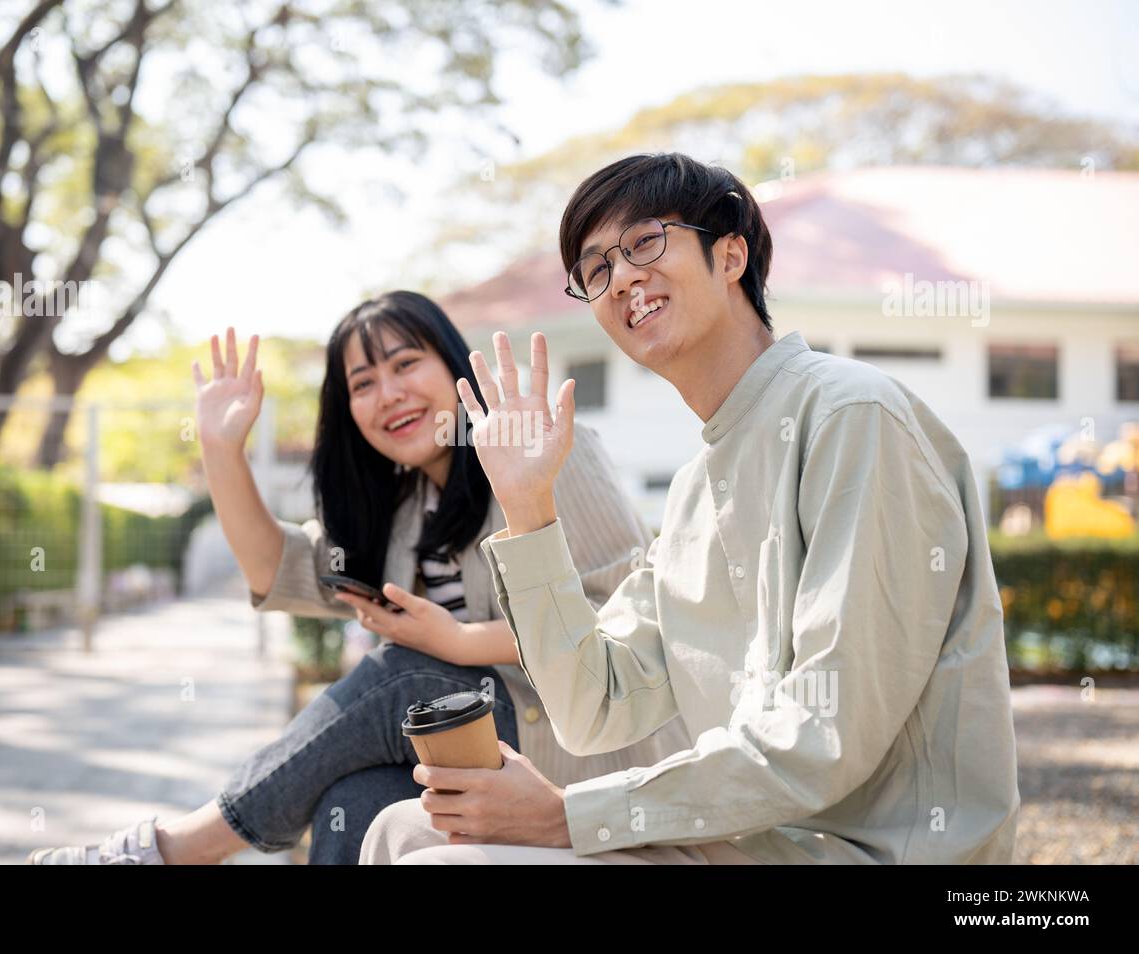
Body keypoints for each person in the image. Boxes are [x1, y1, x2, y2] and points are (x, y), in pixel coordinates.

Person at [361, 154, 1020, 865]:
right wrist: (528, 510)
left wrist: (568, 816)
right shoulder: (695, 488)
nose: (624, 279)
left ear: (731, 253)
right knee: (399, 830)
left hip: (859, 854)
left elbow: (823, 736)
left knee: (447, 863)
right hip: (746, 844)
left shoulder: (851, 415)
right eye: (597, 269)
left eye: (645, 242)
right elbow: (594, 708)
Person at [26, 290, 690, 864]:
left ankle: (180, 849)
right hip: (484, 751)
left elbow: (619, 617)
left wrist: (454, 644)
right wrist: (221, 449)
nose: (389, 393)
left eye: (406, 364)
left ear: (455, 367)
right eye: (363, 383)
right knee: (356, 803)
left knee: (404, 672)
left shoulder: (546, 455)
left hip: (590, 753)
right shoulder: (400, 516)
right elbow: (276, 570)